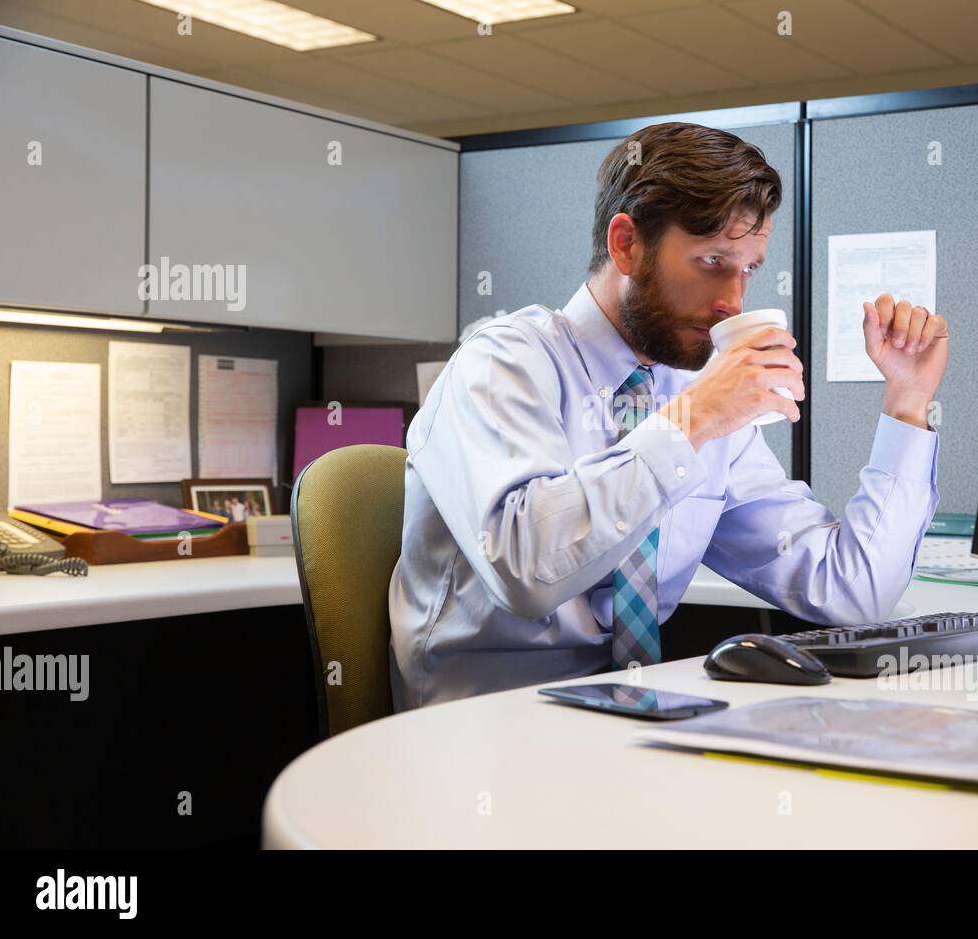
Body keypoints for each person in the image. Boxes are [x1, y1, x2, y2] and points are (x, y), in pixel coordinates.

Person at [389, 122, 948, 709]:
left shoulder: (698, 400)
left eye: (750, 267)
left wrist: (907, 404)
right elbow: (526, 572)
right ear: (627, 244)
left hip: (637, 722)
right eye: (712, 259)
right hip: (481, 730)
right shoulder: (503, 363)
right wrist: (695, 418)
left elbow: (851, 593)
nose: (734, 300)